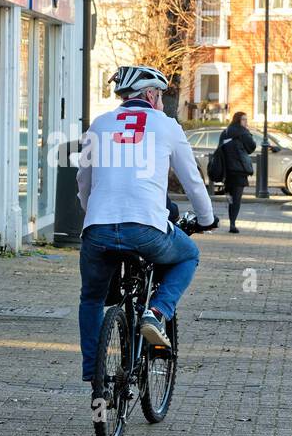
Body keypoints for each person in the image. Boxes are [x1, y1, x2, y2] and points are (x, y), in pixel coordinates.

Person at [76, 65, 217, 397]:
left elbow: (83, 182)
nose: (162, 103)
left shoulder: (99, 124)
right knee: (188, 255)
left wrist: (92, 214)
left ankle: (95, 377)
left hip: (98, 229)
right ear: (151, 94)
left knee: (92, 299)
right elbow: (193, 180)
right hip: (147, 229)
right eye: (161, 96)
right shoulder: (167, 126)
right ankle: (156, 312)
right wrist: (207, 219)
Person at [219, 112, 257, 233]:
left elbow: (220, 148)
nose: (246, 122)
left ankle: (231, 220)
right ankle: (232, 223)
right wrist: (247, 132)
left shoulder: (225, 132)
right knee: (237, 198)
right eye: (244, 120)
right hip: (239, 170)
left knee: (231, 197)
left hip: (227, 170)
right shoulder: (243, 132)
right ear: (238, 120)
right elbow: (252, 147)